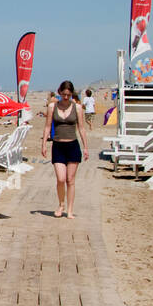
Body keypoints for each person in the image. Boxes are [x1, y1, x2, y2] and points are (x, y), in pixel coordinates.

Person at [42, 80, 88, 218]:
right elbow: (47, 126)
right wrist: (44, 144)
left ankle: (70, 210)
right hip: (58, 146)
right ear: (59, 92)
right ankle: (61, 204)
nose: (66, 97)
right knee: (61, 179)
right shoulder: (52, 107)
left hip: (73, 146)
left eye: (68, 95)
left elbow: (81, 127)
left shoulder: (77, 108)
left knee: (70, 180)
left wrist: (86, 147)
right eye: (64, 94)